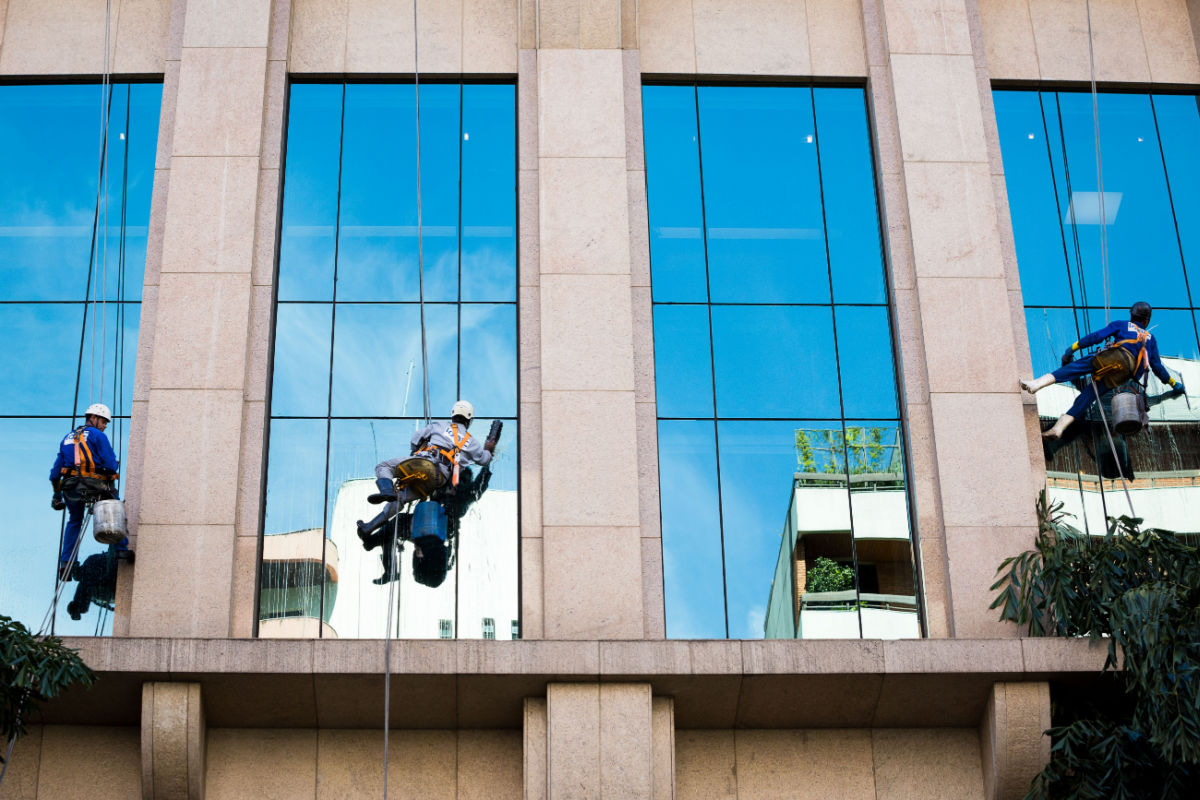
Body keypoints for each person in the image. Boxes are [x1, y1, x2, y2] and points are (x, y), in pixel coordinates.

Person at [356, 400, 496, 584]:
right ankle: (371, 529)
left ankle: (386, 492)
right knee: (400, 504)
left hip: (425, 466)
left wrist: (416, 454)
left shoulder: (439, 425)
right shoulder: (471, 443)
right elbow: (484, 460)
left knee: (385, 470)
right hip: (438, 479)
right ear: (469, 421)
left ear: (453, 414)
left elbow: (416, 438)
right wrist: (490, 449)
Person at [1021, 302, 1184, 439]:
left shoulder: (1122, 324)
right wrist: (1173, 383)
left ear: (1132, 315)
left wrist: (1073, 348)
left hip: (1115, 357)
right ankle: (1058, 429)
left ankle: (1036, 384)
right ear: (1146, 320)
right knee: (1088, 396)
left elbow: (1097, 337)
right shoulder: (1150, 338)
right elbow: (1157, 366)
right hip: (1125, 374)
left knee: (1072, 369)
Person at [49, 403, 124, 582]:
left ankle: (66, 563)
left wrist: (56, 496)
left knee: (74, 520)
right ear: (94, 418)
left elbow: (54, 474)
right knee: (115, 506)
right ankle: (121, 550)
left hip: (70, 486)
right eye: (104, 421)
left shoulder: (67, 437)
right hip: (94, 484)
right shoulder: (98, 436)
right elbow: (110, 464)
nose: (105, 425)